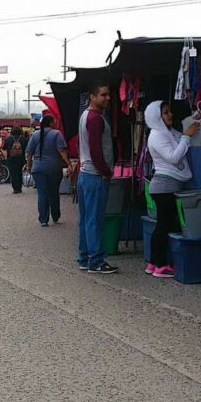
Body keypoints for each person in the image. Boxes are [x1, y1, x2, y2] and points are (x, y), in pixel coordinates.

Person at [145, 101, 199, 278]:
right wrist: (187, 137)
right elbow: (173, 157)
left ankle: (153, 263)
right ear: (156, 116)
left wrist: (195, 120)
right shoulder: (157, 135)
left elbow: (178, 136)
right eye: (165, 112)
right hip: (165, 186)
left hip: (164, 186)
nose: (170, 115)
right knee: (164, 225)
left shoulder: (165, 132)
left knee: (161, 224)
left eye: (169, 112)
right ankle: (161, 265)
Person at [77, 81, 118, 274]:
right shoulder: (96, 119)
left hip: (85, 174)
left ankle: (85, 257)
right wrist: (106, 171)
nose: (107, 98)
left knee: (86, 219)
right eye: (103, 94)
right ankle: (96, 261)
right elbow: (96, 150)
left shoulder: (85, 116)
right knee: (95, 220)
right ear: (92, 97)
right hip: (95, 176)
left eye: (108, 94)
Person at [26, 114, 69, 226]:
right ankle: (55, 216)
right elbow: (61, 151)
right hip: (53, 168)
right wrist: (69, 164)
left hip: (38, 168)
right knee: (54, 192)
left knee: (42, 193)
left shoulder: (35, 135)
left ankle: (43, 220)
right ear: (51, 122)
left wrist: (29, 166)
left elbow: (29, 153)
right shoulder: (57, 134)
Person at [2, 126, 27, 194]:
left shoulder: (8, 139)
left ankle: (15, 188)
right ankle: (19, 188)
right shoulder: (23, 138)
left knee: (13, 174)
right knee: (19, 172)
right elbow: (27, 148)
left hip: (11, 159)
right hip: (21, 159)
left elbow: (4, 148)